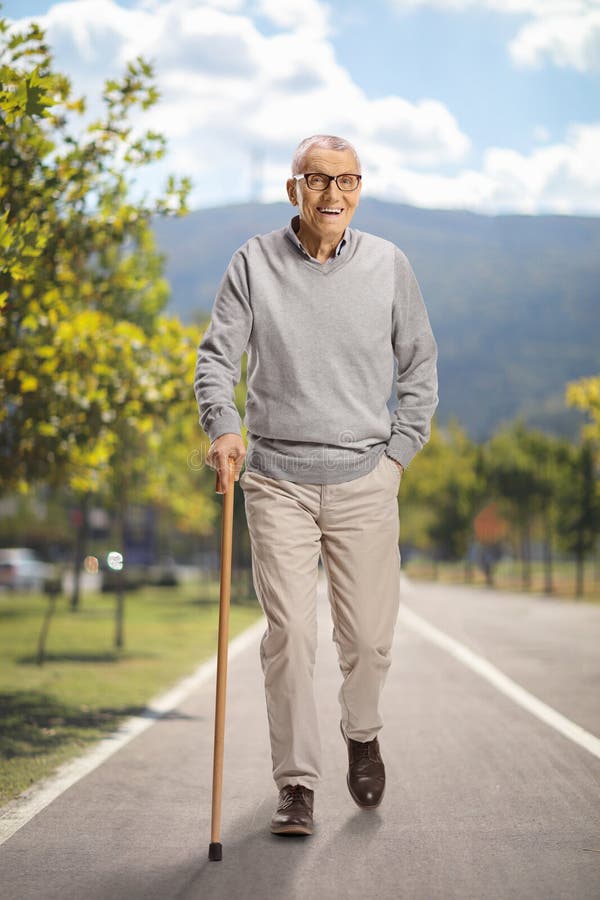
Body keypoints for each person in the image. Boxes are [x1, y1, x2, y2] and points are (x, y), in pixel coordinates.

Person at [194, 134, 438, 837]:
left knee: (368, 641)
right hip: (276, 480)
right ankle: (297, 784)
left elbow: (419, 369)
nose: (335, 195)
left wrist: (397, 457)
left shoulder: (389, 265)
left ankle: (361, 732)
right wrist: (224, 426)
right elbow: (218, 358)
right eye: (319, 180)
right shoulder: (253, 262)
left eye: (349, 180)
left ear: (360, 188)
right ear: (293, 187)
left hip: (366, 477)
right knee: (292, 633)